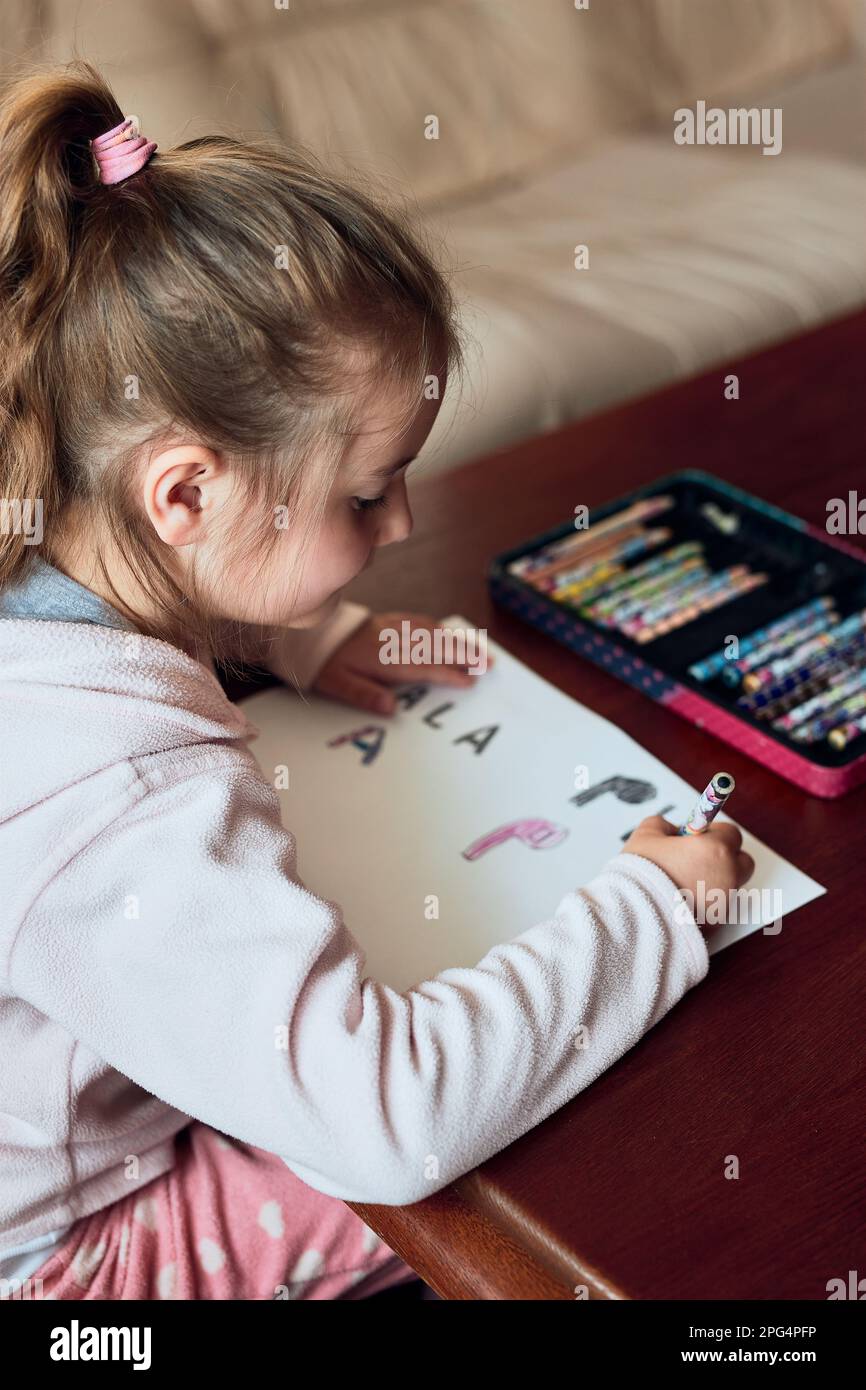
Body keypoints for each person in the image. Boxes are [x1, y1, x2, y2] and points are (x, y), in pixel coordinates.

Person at [0, 62, 753, 1301]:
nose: (402, 523)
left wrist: (294, 634)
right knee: (526, 1165)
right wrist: (652, 912)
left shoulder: (53, 507)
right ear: (184, 492)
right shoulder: (120, 799)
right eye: (365, 492)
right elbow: (389, 1118)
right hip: (61, 1248)